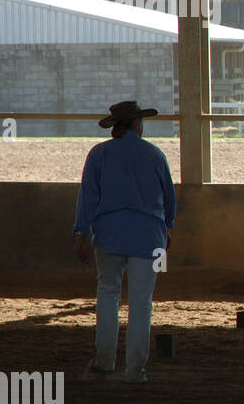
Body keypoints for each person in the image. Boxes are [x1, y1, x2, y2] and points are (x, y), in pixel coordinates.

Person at [73, 101, 176, 384]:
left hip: (109, 235)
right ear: (136, 125)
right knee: (142, 302)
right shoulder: (155, 155)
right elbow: (169, 198)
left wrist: (81, 233)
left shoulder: (99, 155)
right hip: (149, 236)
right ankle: (135, 371)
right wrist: (167, 228)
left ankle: (104, 362)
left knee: (108, 294)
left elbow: (88, 197)